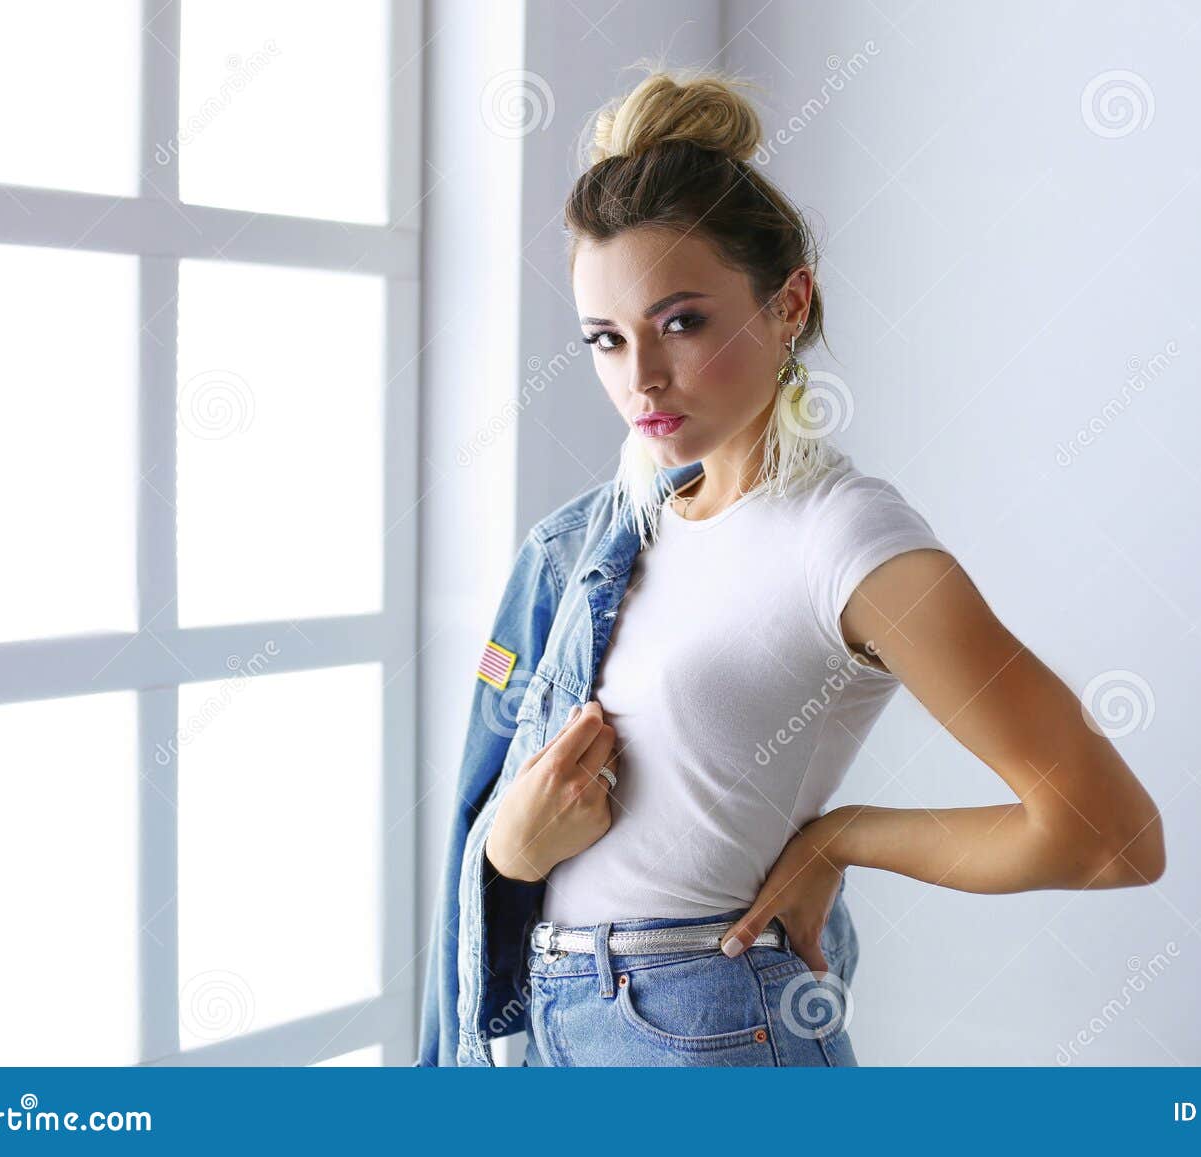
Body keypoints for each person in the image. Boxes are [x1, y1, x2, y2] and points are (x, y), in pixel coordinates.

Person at [479, 66, 1166, 1067]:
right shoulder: (602, 543)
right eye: (605, 339)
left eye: (682, 322)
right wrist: (510, 849)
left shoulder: (845, 538)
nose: (642, 377)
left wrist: (844, 835)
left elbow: (1108, 833)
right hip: (562, 1020)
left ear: (789, 302)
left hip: (704, 1026)